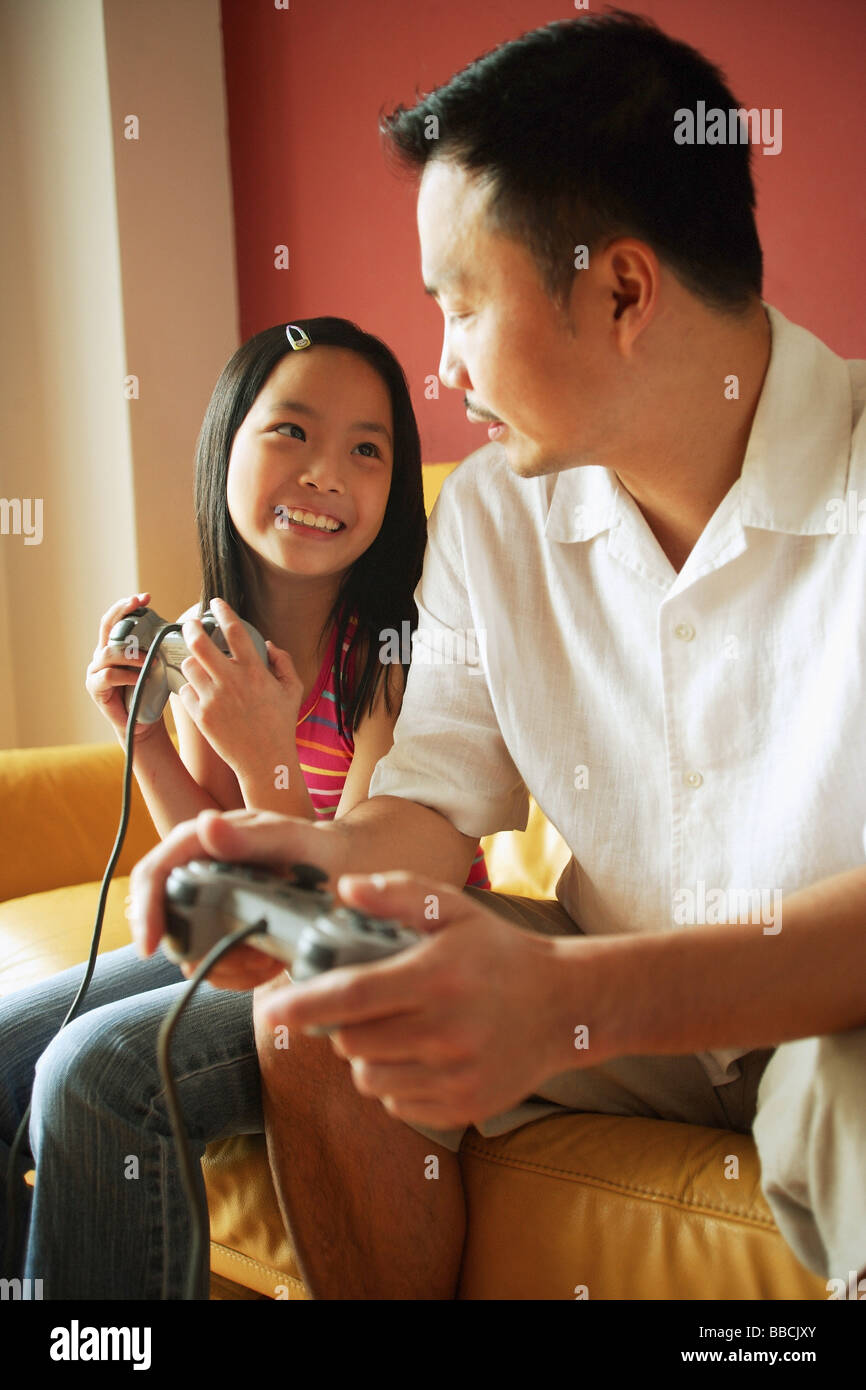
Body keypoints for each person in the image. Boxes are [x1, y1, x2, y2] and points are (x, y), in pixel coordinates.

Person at [128, 12, 866, 1300]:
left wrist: (570, 995)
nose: (444, 364)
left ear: (620, 289)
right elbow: (430, 795)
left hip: (825, 1008)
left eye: (460, 303)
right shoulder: (490, 510)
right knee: (329, 986)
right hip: (599, 972)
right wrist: (311, 863)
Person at [0, 316, 489, 1299]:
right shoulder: (214, 642)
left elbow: (334, 902)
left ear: (393, 488)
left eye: (366, 448)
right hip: (252, 932)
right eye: (291, 432)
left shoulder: (401, 651)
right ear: (226, 442)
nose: (324, 474)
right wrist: (143, 739)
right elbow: (217, 872)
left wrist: (267, 748)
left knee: (93, 1076)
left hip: (379, 947)